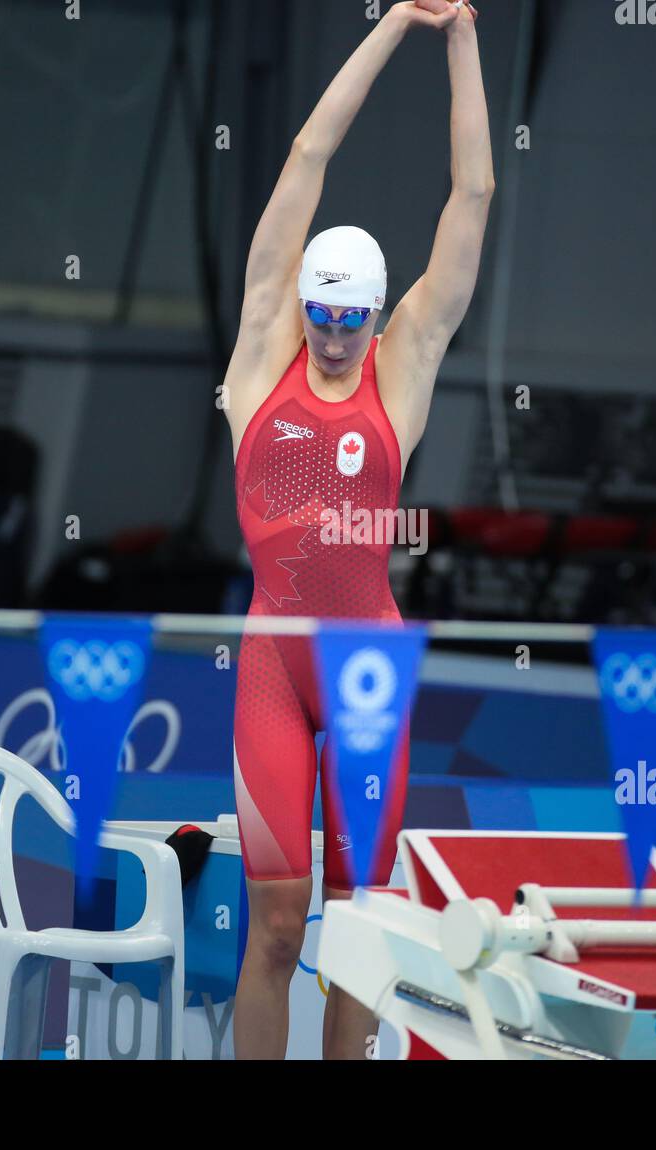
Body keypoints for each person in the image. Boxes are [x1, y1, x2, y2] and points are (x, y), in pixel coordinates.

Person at [219, 0, 493, 1059]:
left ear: (377, 315)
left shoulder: (402, 364)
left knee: (362, 930)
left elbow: (472, 192)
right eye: (320, 315)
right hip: (273, 669)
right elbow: (305, 152)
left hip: (369, 663)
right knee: (278, 928)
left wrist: (458, 35)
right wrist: (387, 26)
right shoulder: (261, 356)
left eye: (351, 319)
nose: (333, 339)